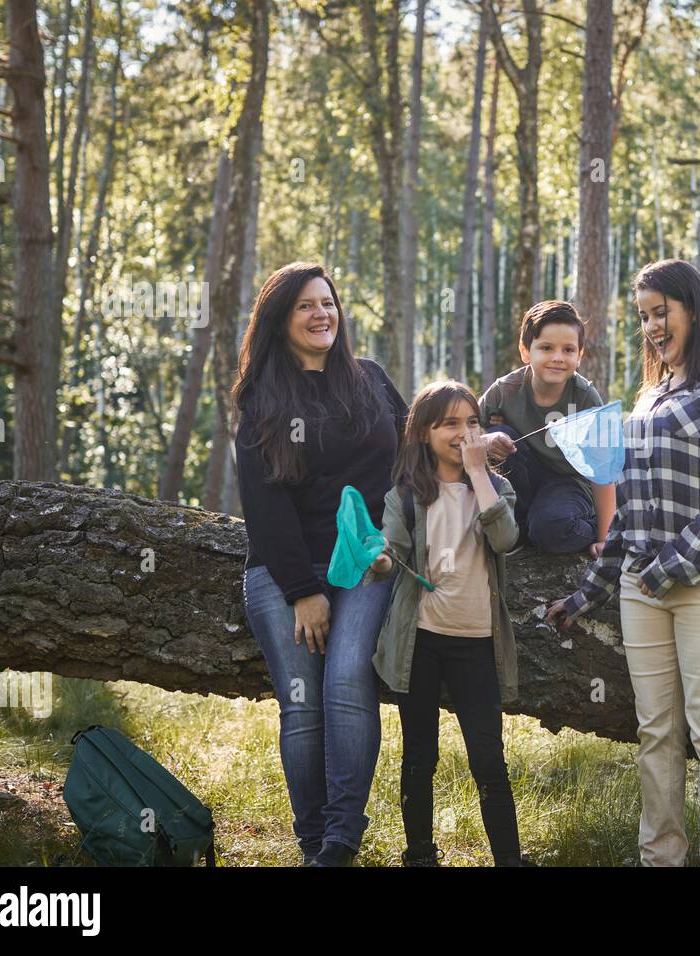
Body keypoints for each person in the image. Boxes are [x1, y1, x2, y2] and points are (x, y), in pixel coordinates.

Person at [545, 258, 700, 867]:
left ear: (693, 308)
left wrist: (673, 565)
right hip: (641, 587)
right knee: (657, 734)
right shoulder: (651, 396)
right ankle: (660, 856)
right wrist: (584, 596)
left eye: (661, 311)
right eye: (644, 315)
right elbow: (630, 510)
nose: (652, 325)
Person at [235, 261, 406, 867]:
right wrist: (304, 591)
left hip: (365, 563)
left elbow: (417, 455)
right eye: (306, 305)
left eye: (328, 302)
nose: (321, 314)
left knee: (344, 681)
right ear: (281, 321)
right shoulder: (262, 399)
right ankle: (312, 845)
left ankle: (340, 841)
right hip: (286, 574)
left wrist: (483, 445)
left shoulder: (372, 382)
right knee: (303, 703)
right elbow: (264, 505)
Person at [367, 380, 527, 866]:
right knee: (419, 755)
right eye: (450, 424)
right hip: (422, 643)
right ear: (422, 433)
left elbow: (505, 539)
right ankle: (419, 854)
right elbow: (391, 554)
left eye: (472, 422)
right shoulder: (408, 495)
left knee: (488, 759)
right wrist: (379, 561)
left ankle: (509, 859)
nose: (464, 432)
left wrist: (480, 474)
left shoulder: (496, 488)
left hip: (477, 644)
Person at [479, 300, 617, 558]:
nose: (557, 357)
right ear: (525, 351)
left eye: (568, 350)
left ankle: (574, 523)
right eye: (546, 348)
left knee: (551, 528)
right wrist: (486, 440)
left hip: (569, 482)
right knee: (501, 434)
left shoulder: (586, 397)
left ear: (580, 355)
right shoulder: (504, 390)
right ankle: (519, 527)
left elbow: (603, 472)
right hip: (523, 477)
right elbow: (469, 429)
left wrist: (605, 537)